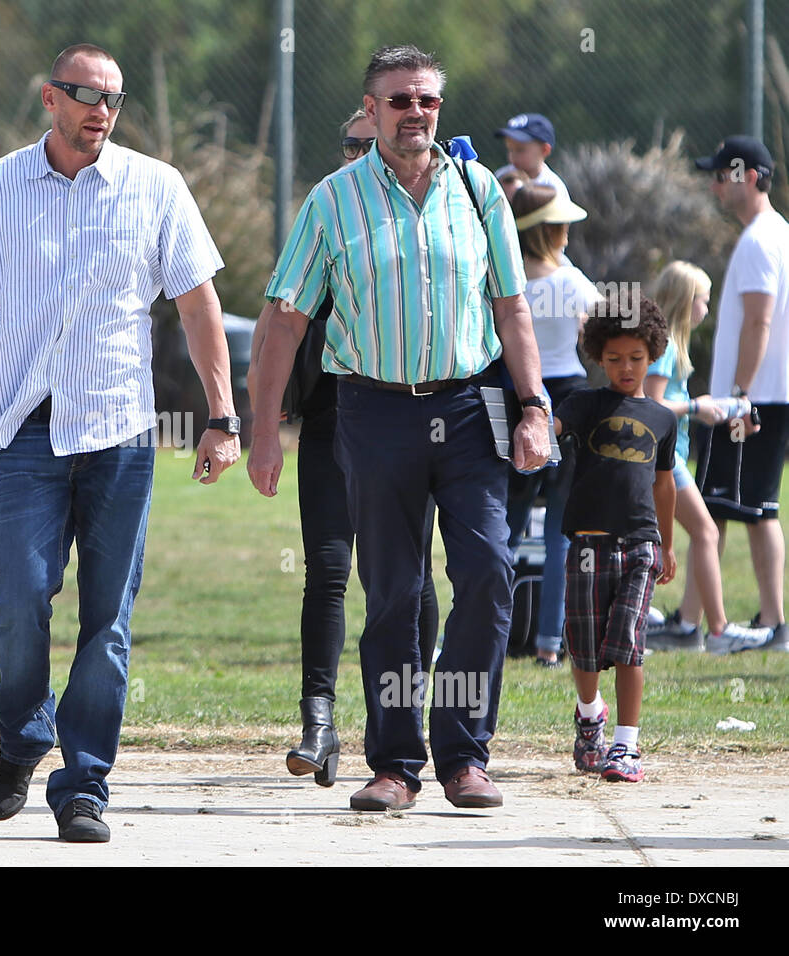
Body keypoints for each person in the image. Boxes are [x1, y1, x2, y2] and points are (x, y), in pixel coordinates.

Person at [0, 42, 239, 843]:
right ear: (48, 98)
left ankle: (84, 783)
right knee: (19, 603)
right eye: (84, 94)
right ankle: (24, 734)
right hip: (23, 432)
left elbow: (200, 306)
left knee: (109, 616)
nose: (101, 109)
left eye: (113, 98)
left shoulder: (155, 187)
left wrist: (221, 414)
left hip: (121, 434)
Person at [248, 45, 550, 812]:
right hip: (374, 408)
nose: (415, 113)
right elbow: (283, 321)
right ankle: (394, 764)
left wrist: (535, 407)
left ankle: (464, 755)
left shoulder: (480, 193)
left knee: (487, 572)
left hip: (469, 402)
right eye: (399, 100)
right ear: (372, 109)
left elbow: (512, 309)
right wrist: (259, 427)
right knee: (393, 591)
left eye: (427, 101)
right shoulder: (333, 201)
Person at [246, 108, 440, 788]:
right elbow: (274, 324)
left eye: (370, 141)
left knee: (408, 576)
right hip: (333, 422)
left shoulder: (424, 220)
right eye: (350, 142)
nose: (361, 152)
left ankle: (407, 715)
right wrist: (261, 426)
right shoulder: (326, 215)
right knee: (328, 568)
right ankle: (318, 722)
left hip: (407, 422)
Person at [554, 301, 677, 782]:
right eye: (614, 359)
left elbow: (664, 484)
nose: (626, 368)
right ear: (598, 360)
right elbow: (554, 428)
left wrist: (667, 543)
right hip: (586, 544)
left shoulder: (663, 419)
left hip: (641, 544)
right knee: (584, 648)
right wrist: (537, 424)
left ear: (653, 356)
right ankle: (590, 716)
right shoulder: (585, 404)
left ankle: (626, 747)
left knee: (628, 643)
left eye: (636, 357)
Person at [691, 136, 789, 653]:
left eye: (720, 175)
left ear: (748, 176)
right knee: (732, 507)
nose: (714, 185)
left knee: (747, 510)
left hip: (755, 399)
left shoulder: (759, 241)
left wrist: (739, 396)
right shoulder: (774, 234)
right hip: (765, 396)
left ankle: (769, 625)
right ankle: (696, 618)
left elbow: (759, 319)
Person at [644, 261, 770, 652]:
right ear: (686, 301)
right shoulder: (664, 344)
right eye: (703, 300)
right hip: (662, 457)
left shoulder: (671, 341)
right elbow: (652, 404)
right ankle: (717, 631)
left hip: (668, 454)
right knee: (706, 532)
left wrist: (726, 407)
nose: (707, 309)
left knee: (650, 537)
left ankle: (644, 618)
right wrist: (697, 407)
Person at [504, 184, 602, 666]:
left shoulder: (503, 279)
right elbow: (603, 329)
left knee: (506, 522)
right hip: (568, 402)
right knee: (561, 528)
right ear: (547, 230)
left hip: (515, 399)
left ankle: (491, 631)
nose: (568, 231)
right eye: (561, 223)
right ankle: (548, 644)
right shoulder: (573, 281)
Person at [493, 113, 570, 201]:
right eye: (510, 149)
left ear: (544, 150)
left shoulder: (553, 186)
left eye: (520, 150)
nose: (512, 155)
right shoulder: (501, 177)